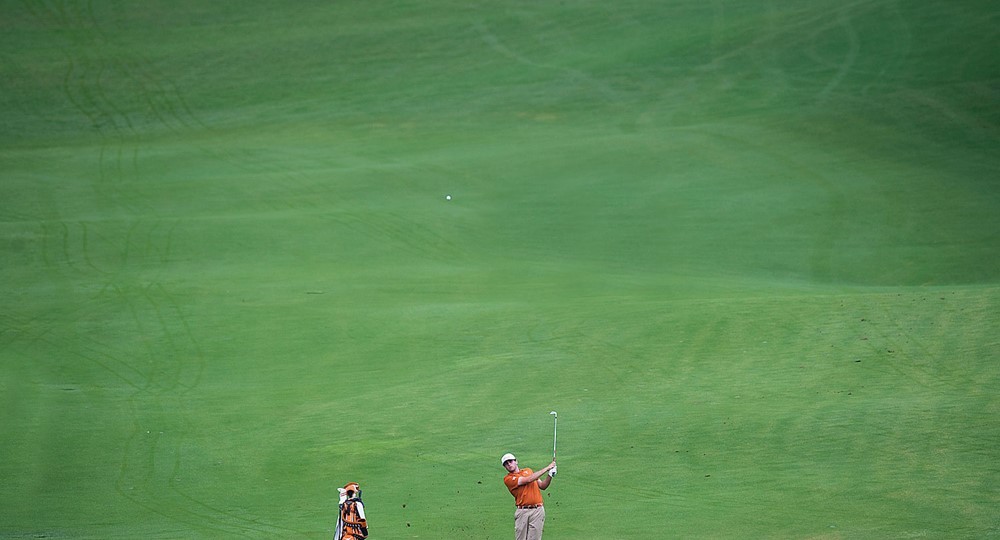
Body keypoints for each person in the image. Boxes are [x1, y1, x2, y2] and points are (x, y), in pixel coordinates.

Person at [501, 452, 556, 540]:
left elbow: (543, 486)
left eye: (510, 461)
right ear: (505, 467)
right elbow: (528, 479)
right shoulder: (508, 479)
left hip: (537, 510)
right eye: (506, 464)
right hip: (522, 511)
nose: (509, 464)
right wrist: (547, 468)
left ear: (516, 461)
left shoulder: (528, 471)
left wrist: (550, 475)